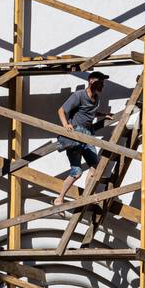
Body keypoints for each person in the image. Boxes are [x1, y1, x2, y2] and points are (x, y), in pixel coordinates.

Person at [55, 72, 111, 207]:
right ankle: (59, 198)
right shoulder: (79, 95)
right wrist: (65, 125)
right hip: (76, 134)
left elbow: (89, 112)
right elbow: (61, 110)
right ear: (91, 81)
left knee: (94, 165)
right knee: (76, 172)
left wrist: (103, 115)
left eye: (103, 82)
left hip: (88, 135)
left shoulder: (96, 98)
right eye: (100, 82)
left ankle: (88, 195)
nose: (102, 85)